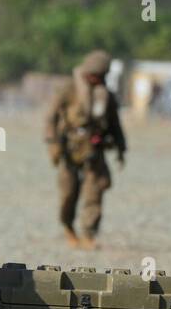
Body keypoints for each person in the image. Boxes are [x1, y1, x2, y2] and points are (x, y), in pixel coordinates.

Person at [45, 49, 125, 249]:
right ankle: (68, 228)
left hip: (94, 151)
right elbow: (50, 118)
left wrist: (121, 149)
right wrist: (53, 144)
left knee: (94, 192)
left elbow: (115, 125)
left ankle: (89, 233)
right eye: (93, 75)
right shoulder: (68, 89)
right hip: (69, 150)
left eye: (99, 77)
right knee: (68, 193)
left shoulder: (106, 96)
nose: (95, 80)